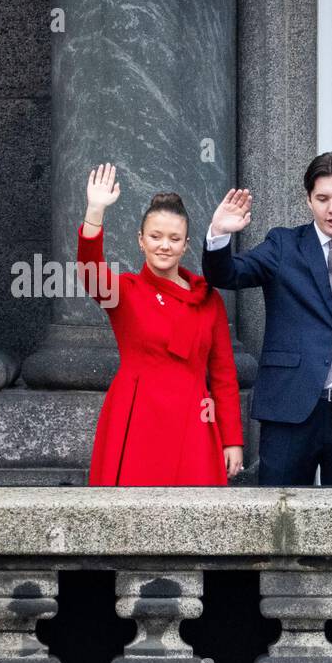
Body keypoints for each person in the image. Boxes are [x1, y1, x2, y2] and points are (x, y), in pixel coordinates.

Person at [202, 151, 332, 486]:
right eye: (322, 198)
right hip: (289, 408)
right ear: (308, 200)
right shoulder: (283, 245)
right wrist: (219, 234)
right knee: (279, 517)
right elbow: (227, 274)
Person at [77, 163, 243, 485]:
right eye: (155, 236)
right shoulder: (125, 291)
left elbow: (223, 374)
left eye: (173, 238)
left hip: (194, 420)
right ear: (141, 240)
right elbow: (89, 271)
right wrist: (95, 211)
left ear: (186, 245)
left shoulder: (208, 299)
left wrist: (232, 439)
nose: (164, 245)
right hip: (136, 417)